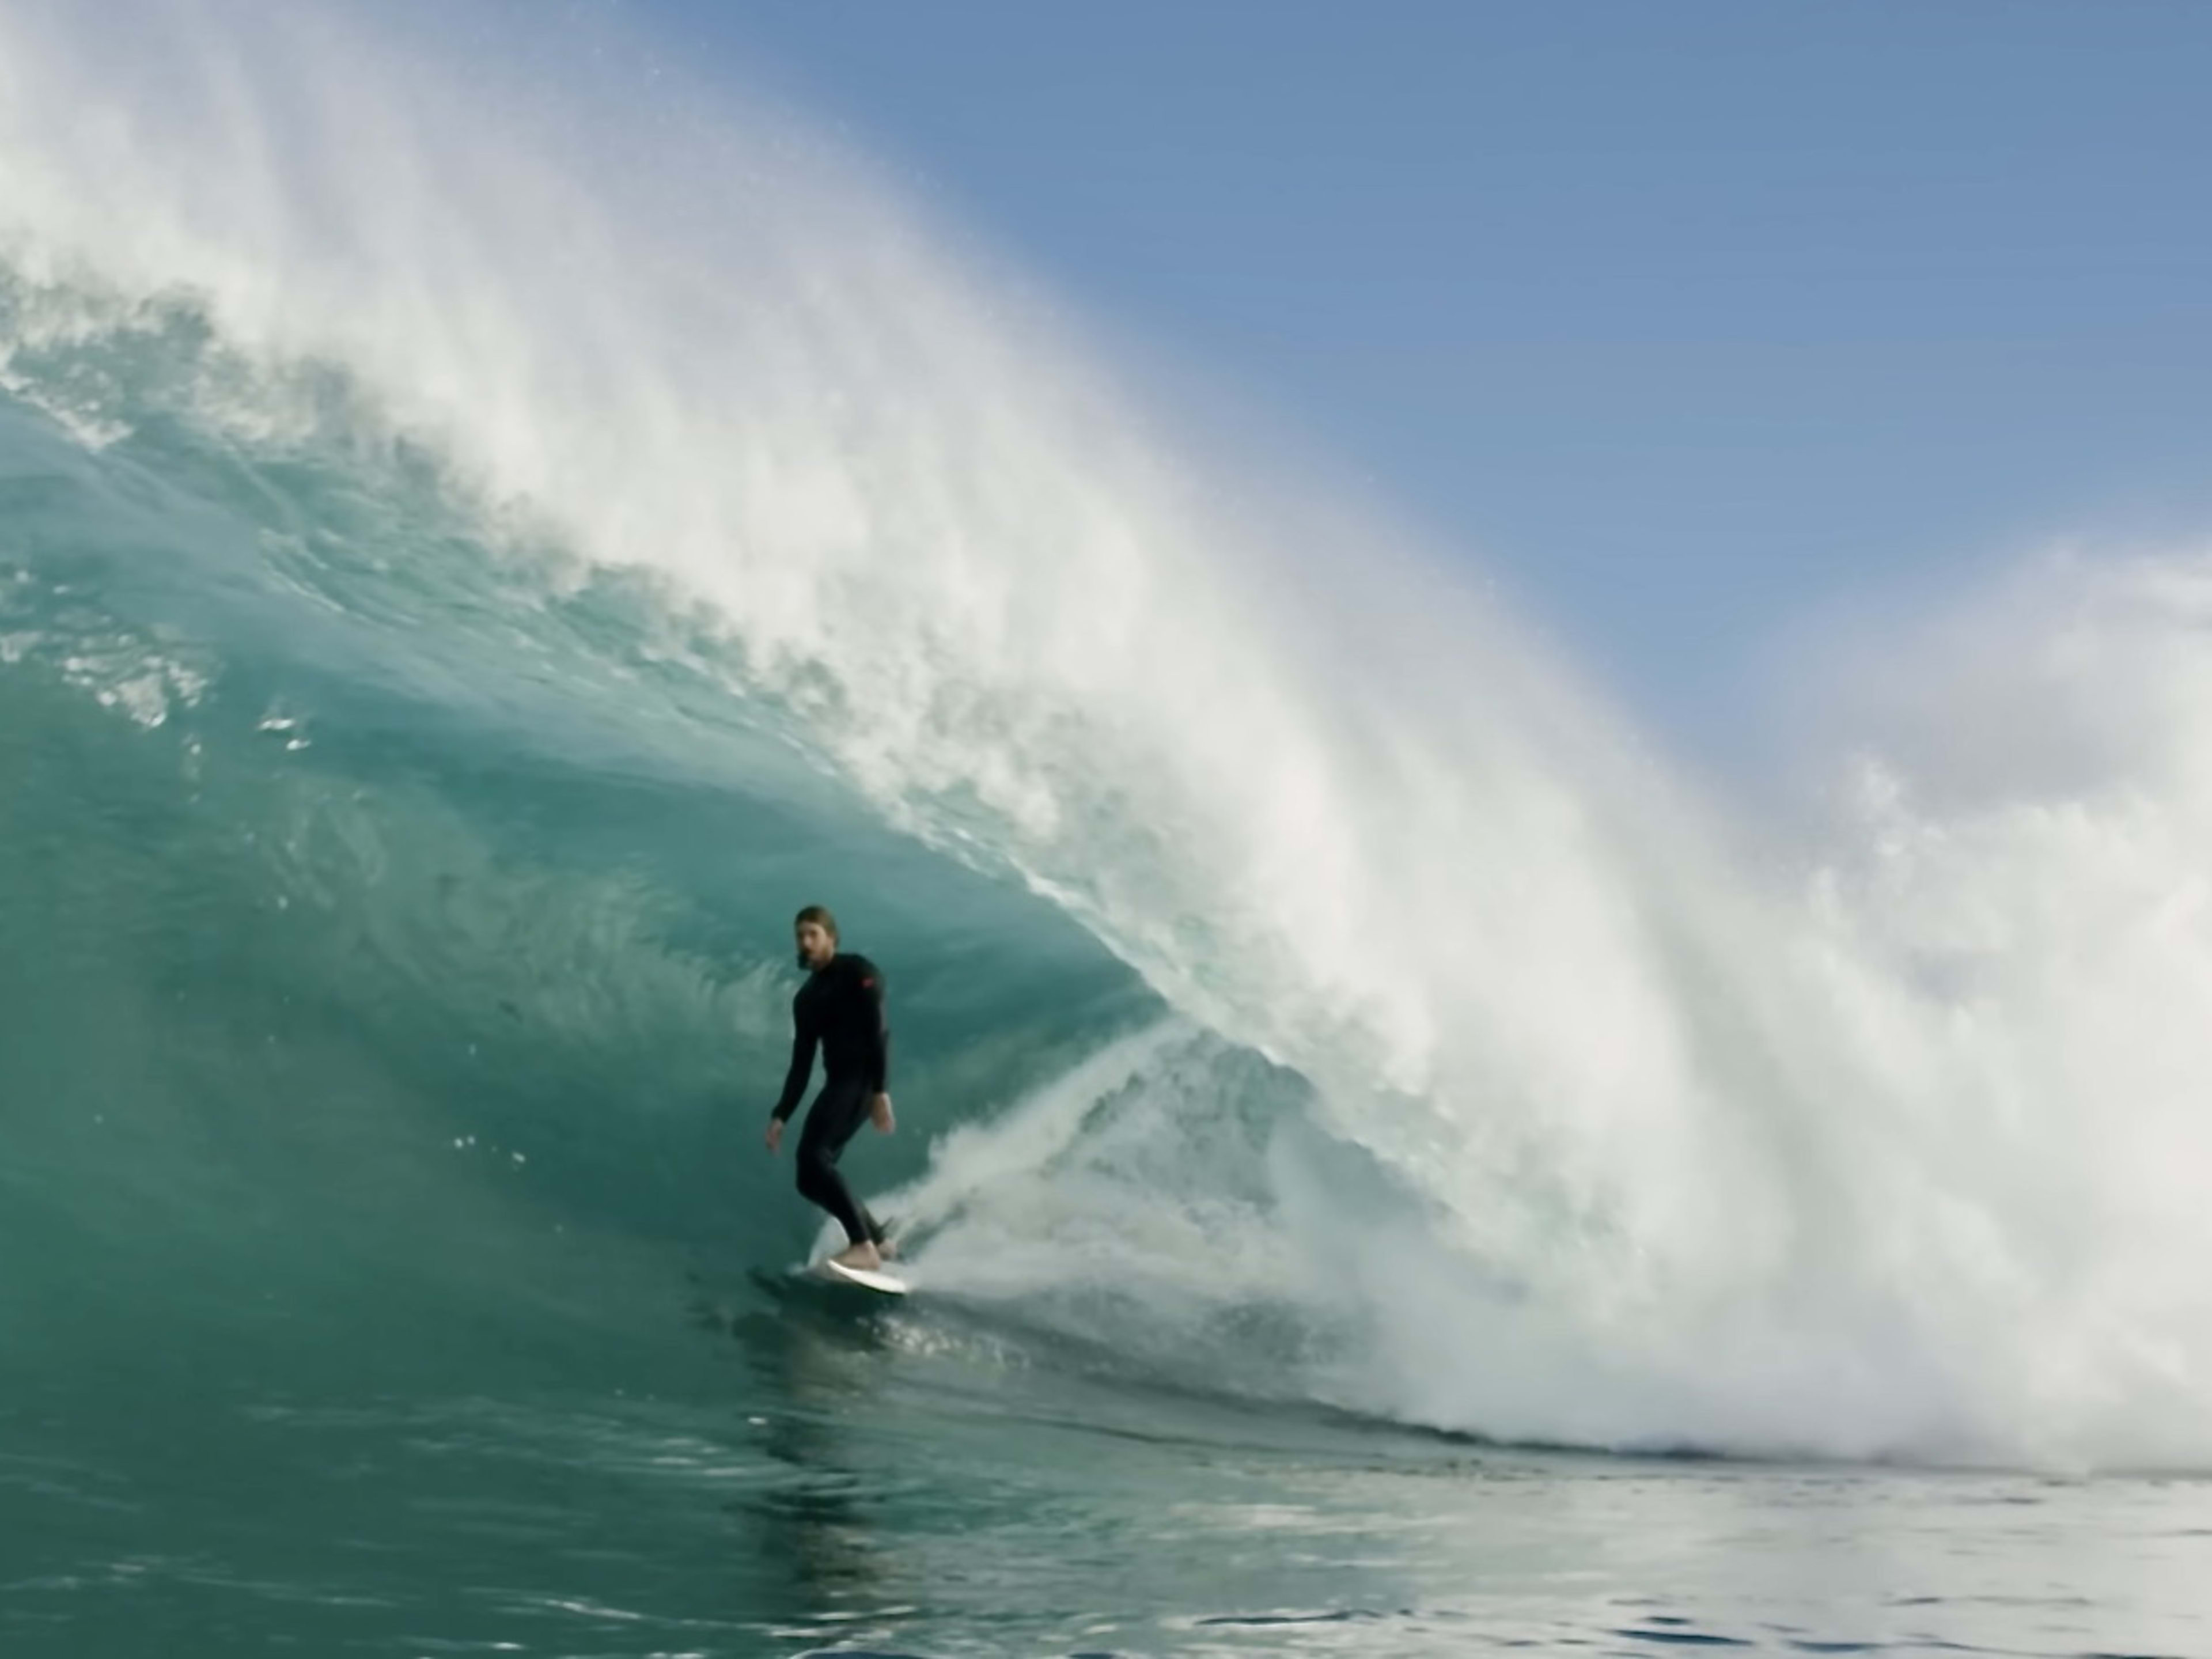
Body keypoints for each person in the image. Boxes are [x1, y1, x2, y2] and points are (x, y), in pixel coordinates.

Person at [763, 904, 897, 1271]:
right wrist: (781, 1115)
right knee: (808, 1178)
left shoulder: (859, 973)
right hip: (839, 1082)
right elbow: (801, 1064)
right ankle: (880, 1242)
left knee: (815, 1158)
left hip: (863, 1080)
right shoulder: (806, 1000)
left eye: (813, 934)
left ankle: (863, 1247)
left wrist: (881, 1092)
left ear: (831, 939)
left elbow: (879, 1031)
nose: (805, 942)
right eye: (800, 935)